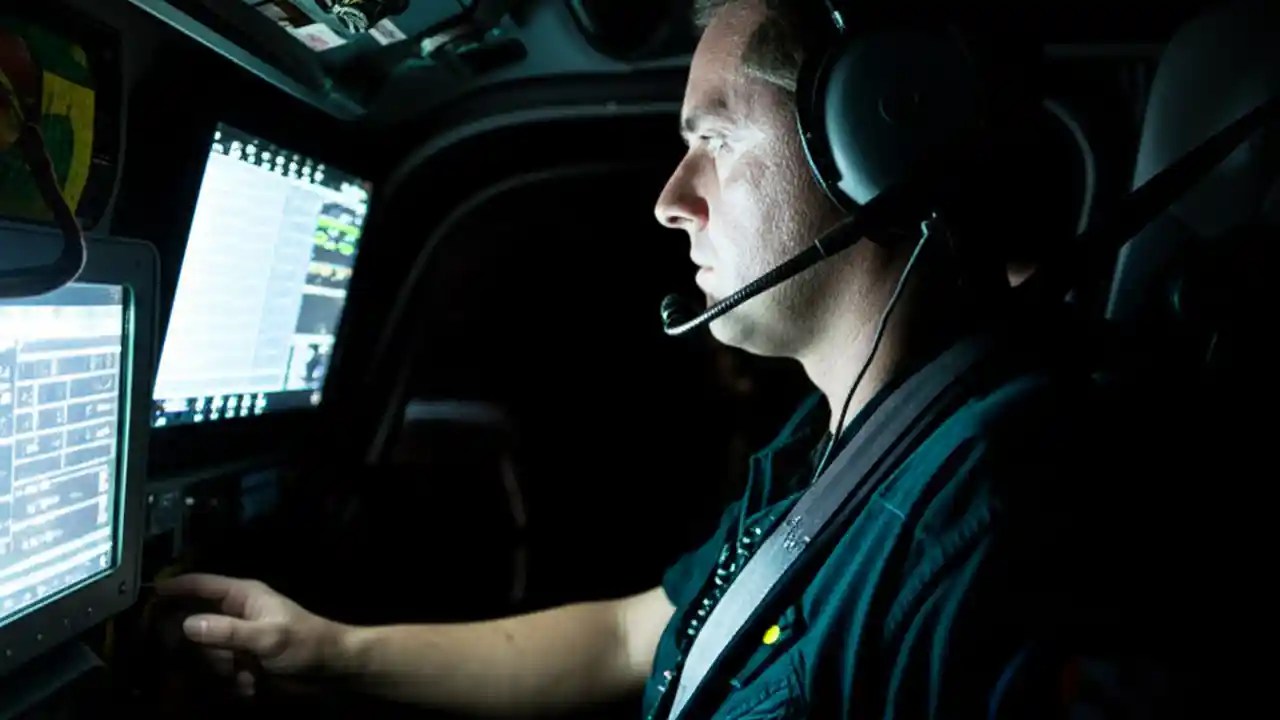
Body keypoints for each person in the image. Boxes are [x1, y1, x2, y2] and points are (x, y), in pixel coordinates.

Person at [157, 1, 1193, 717]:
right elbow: (634, 637)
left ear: (876, 144)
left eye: (719, 139)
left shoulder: (993, 528)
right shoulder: (839, 437)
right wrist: (329, 651)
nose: (670, 197)